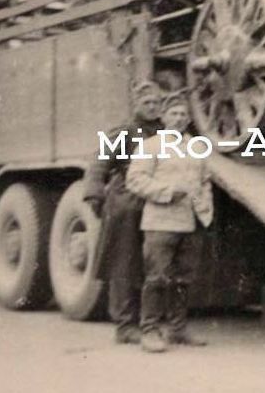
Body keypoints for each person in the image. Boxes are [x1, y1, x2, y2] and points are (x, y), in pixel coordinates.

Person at [126, 95, 213, 354]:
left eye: (183, 114)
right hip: (160, 222)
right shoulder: (151, 145)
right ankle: (149, 331)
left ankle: (177, 329)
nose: (179, 118)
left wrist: (205, 208)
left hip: (190, 221)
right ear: (163, 118)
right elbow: (135, 179)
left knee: (184, 278)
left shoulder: (197, 147)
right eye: (173, 113)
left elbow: (205, 180)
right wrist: (167, 191)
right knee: (157, 277)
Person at [82, 80, 162, 344]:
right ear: (137, 105)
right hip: (126, 201)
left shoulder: (165, 131)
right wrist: (94, 192)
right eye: (147, 103)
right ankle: (125, 325)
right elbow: (100, 160)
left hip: (153, 199)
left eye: (156, 103)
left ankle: (145, 321)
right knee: (124, 263)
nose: (152, 107)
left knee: (148, 263)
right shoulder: (125, 131)